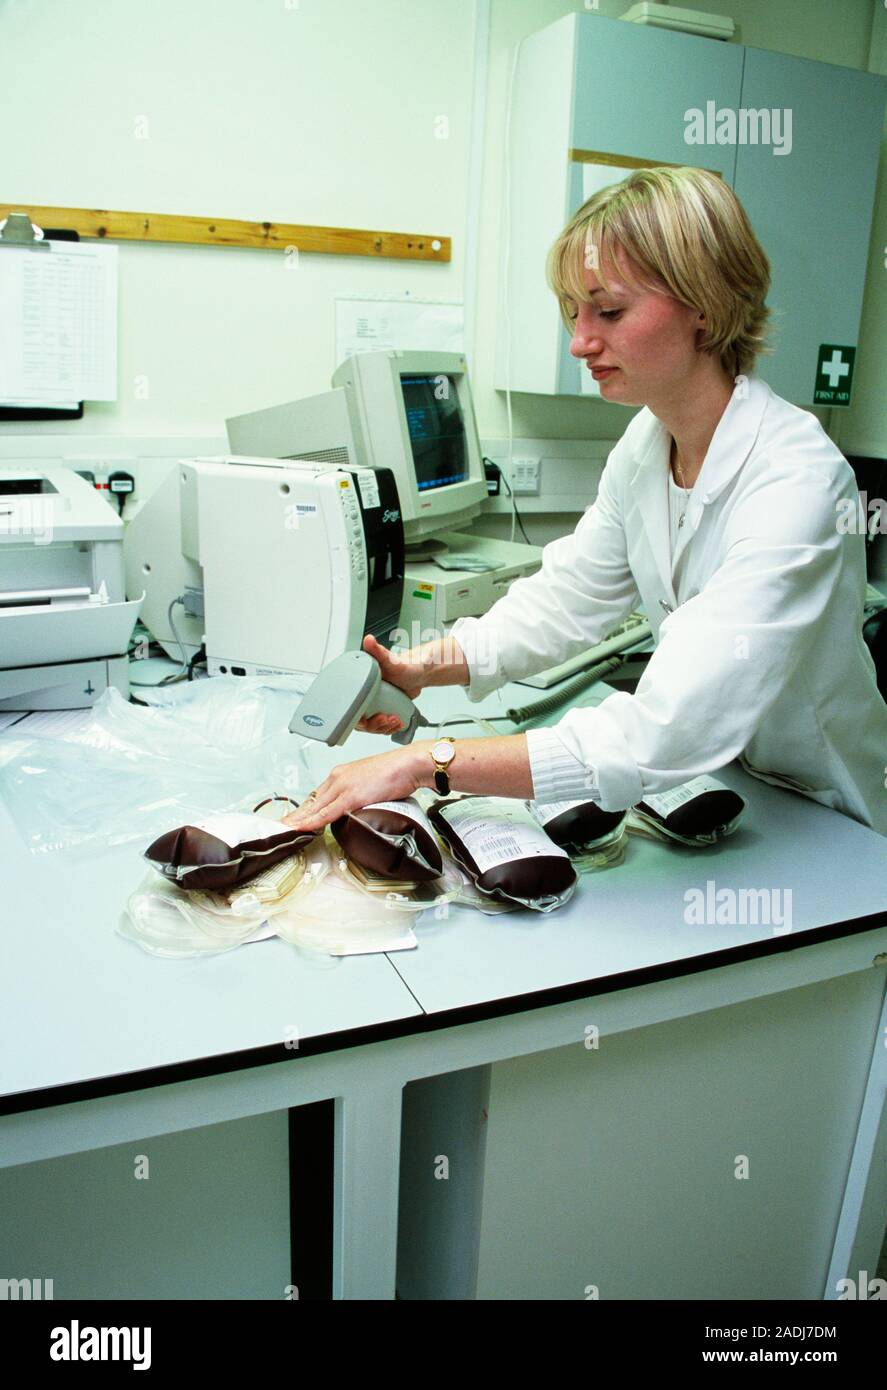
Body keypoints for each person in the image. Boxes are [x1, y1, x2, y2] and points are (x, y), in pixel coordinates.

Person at [285, 166, 887, 839]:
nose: (579, 341)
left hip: (823, 806)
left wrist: (431, 764)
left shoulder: (794, 480)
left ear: (707, 308)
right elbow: (567, 599)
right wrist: (426, 665)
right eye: (572, 310)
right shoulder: (644, 443)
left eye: (609, 310)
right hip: (726, 782)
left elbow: (665, 729)